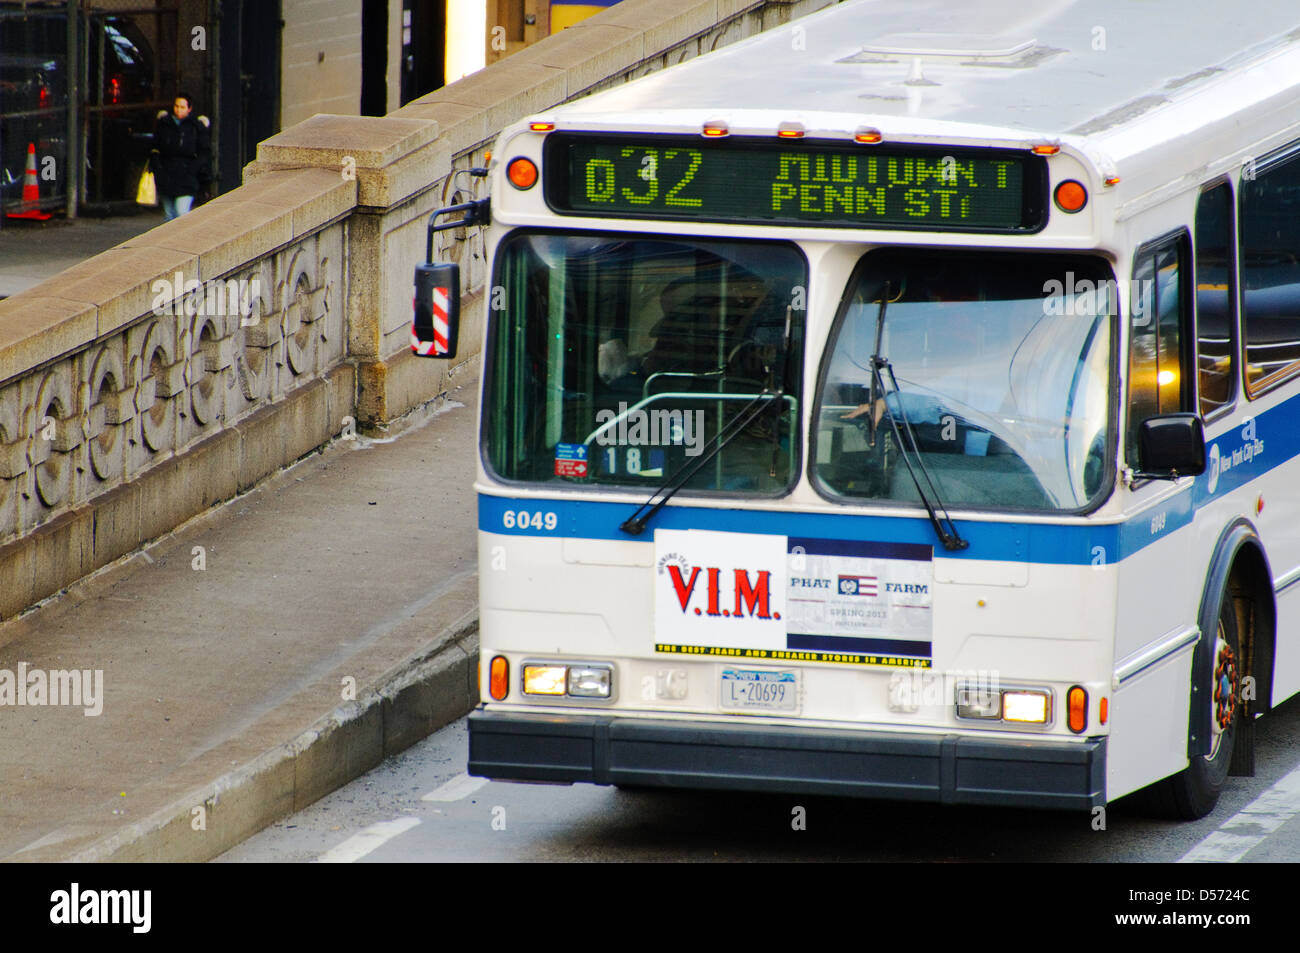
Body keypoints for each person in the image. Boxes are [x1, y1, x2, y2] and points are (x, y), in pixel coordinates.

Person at [151, 93, 212, 221]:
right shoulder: (164, 124)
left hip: (186, 176)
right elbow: (155, 147)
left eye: (182, 107)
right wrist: (157, 168)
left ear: (189, 109)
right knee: (169, 214)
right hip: (166, 175)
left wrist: (193, 170)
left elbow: (203, 152)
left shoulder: (196, 126)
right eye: (176, 106)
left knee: (181, 212)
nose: (178, 110)